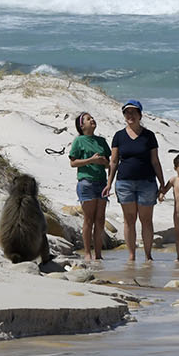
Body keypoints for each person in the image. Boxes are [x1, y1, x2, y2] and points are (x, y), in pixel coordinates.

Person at [103, 99, 166, 262]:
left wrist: (162, 183)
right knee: (129, 220)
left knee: (146, 220)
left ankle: (148, 255)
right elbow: (114, 161)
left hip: (147, 182)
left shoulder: (149, 136)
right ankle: (131, 256)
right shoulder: (119, 136)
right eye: (127, 112)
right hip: (124, 183)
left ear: (140, 115)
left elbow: (155, 161)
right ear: (124, 115)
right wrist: (109, 183)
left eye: (134, 112)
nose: (130, 115)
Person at [67, 111, 111, 263]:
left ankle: (98, 254)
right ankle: (87, 253)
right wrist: (90, 160)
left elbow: (108, 163)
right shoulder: (79, 141)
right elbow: (73, 163)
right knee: (88, 219)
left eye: (92, 117)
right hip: (86, 182)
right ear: (81, 125)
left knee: (100, 220)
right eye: (88, 119)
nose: (92, 119)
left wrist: (102, 163)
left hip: (102, 183)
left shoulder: (101, 141)